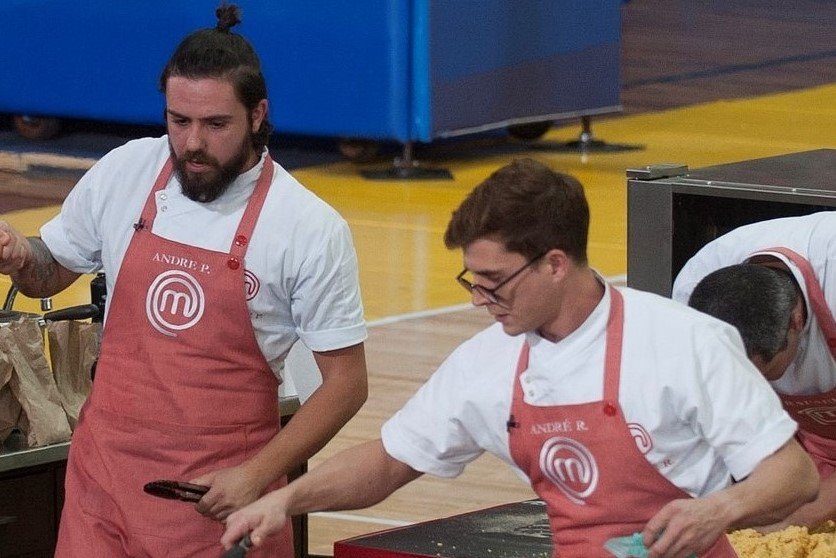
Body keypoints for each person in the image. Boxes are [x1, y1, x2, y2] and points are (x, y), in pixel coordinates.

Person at [221, 159, 818, 558]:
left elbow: (793, 476)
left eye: (494, 282)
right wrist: (283, 500)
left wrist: (717, 511)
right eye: (471, 281)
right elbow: (386, 462)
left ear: (555, 264)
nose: (479, 300)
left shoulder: (685, 342)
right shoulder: (483, 365)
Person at [0, 5, 368, 557]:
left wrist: (255, 476)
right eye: (179, 121)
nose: (192, 143)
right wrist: (18, 254)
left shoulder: (307, 227)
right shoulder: (127, 170)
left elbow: (346, 385)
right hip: (102, 489)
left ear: (258, 115)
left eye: (216, 125)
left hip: (217, 504)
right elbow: (50, 269)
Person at [673, 212, 836, 531]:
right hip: (806, 443)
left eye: (767, 371)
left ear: (795, 321)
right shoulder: (693, 291)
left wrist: (795, 523)